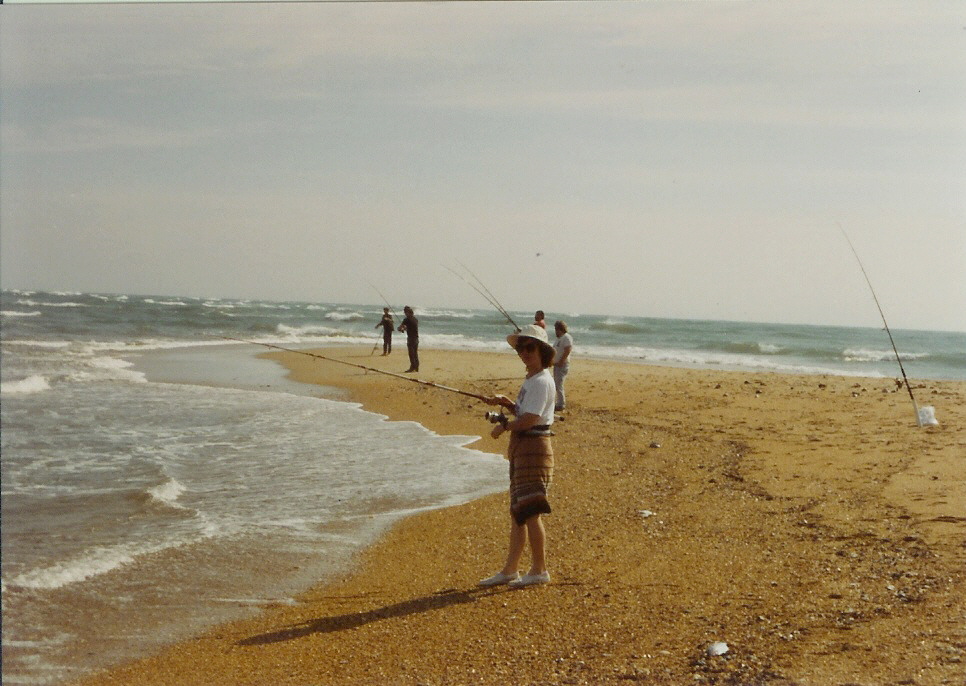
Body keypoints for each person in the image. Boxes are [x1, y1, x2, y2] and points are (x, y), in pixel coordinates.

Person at [479, 324, 556, 588]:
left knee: (531, 511)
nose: (524, 352)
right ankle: (510, 569)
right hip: (523, 450)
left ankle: (539, 570)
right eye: (520, 348)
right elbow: (525, 412)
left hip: (534, 450)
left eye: (530, 347)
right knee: (518, 512)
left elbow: (532, 419)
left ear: (542, 350)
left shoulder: (542, 381)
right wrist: (507, 403)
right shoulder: (532, 380)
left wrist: (504, 426)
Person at [552, 320, 573, 411]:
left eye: (557, 329)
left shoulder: (566, 337)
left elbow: (567, 350)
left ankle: (561, 404)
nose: (555, 331)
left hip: (562, 364)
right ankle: (558, 402)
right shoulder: (558, 339)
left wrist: (561, 361)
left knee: (559, 384)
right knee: (556, 384)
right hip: (556, 364)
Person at [398, 306, 419, 373]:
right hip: (416, 338)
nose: (405, 313)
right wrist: (404, 329)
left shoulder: (406, 320)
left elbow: (400, 328)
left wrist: (400, 329)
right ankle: (416, 367)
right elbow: (411, 327)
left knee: (411, 353)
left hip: (411, 338)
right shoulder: (415, 319)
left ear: (408, 312)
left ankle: (412, 367)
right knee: (415, 353)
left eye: (405, 312)